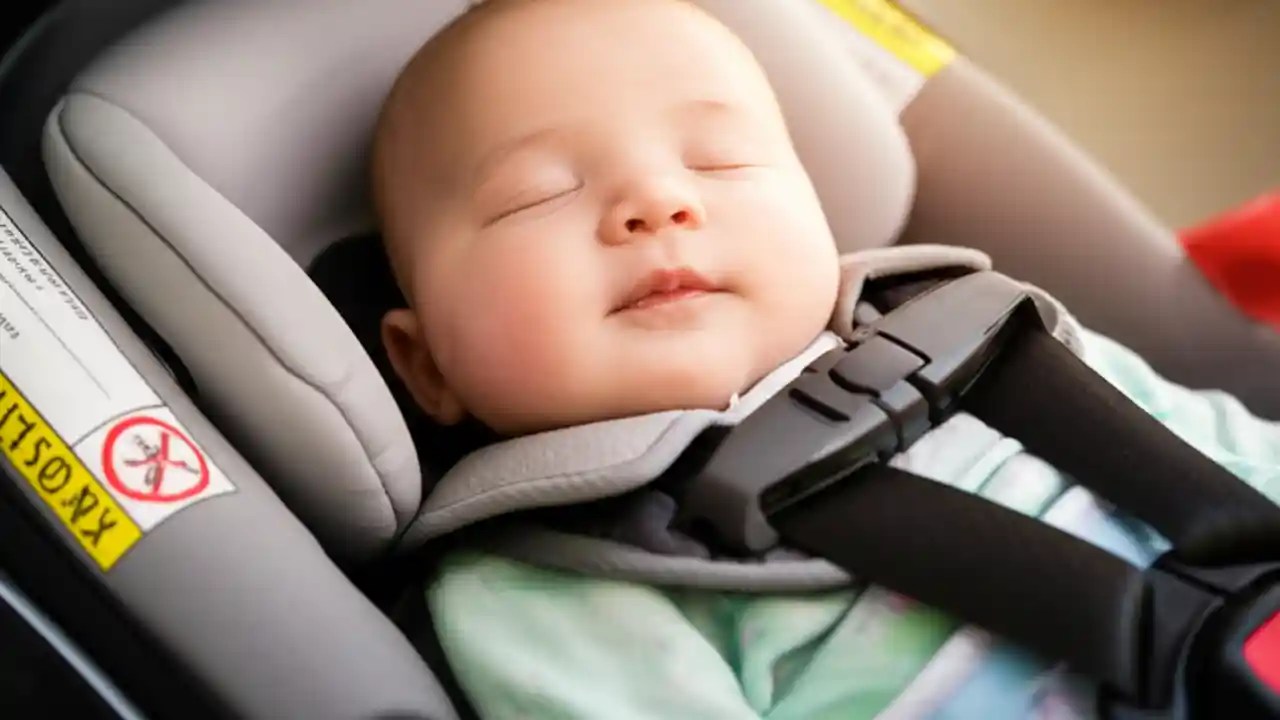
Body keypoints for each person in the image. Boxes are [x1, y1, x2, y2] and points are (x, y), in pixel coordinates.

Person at [370, 0, 1280, 717]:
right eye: (536, 196)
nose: (656, 201)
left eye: (720, 161)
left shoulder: (996, 341)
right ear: (427, 367)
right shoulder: (542, 585)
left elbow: (1232, 453)